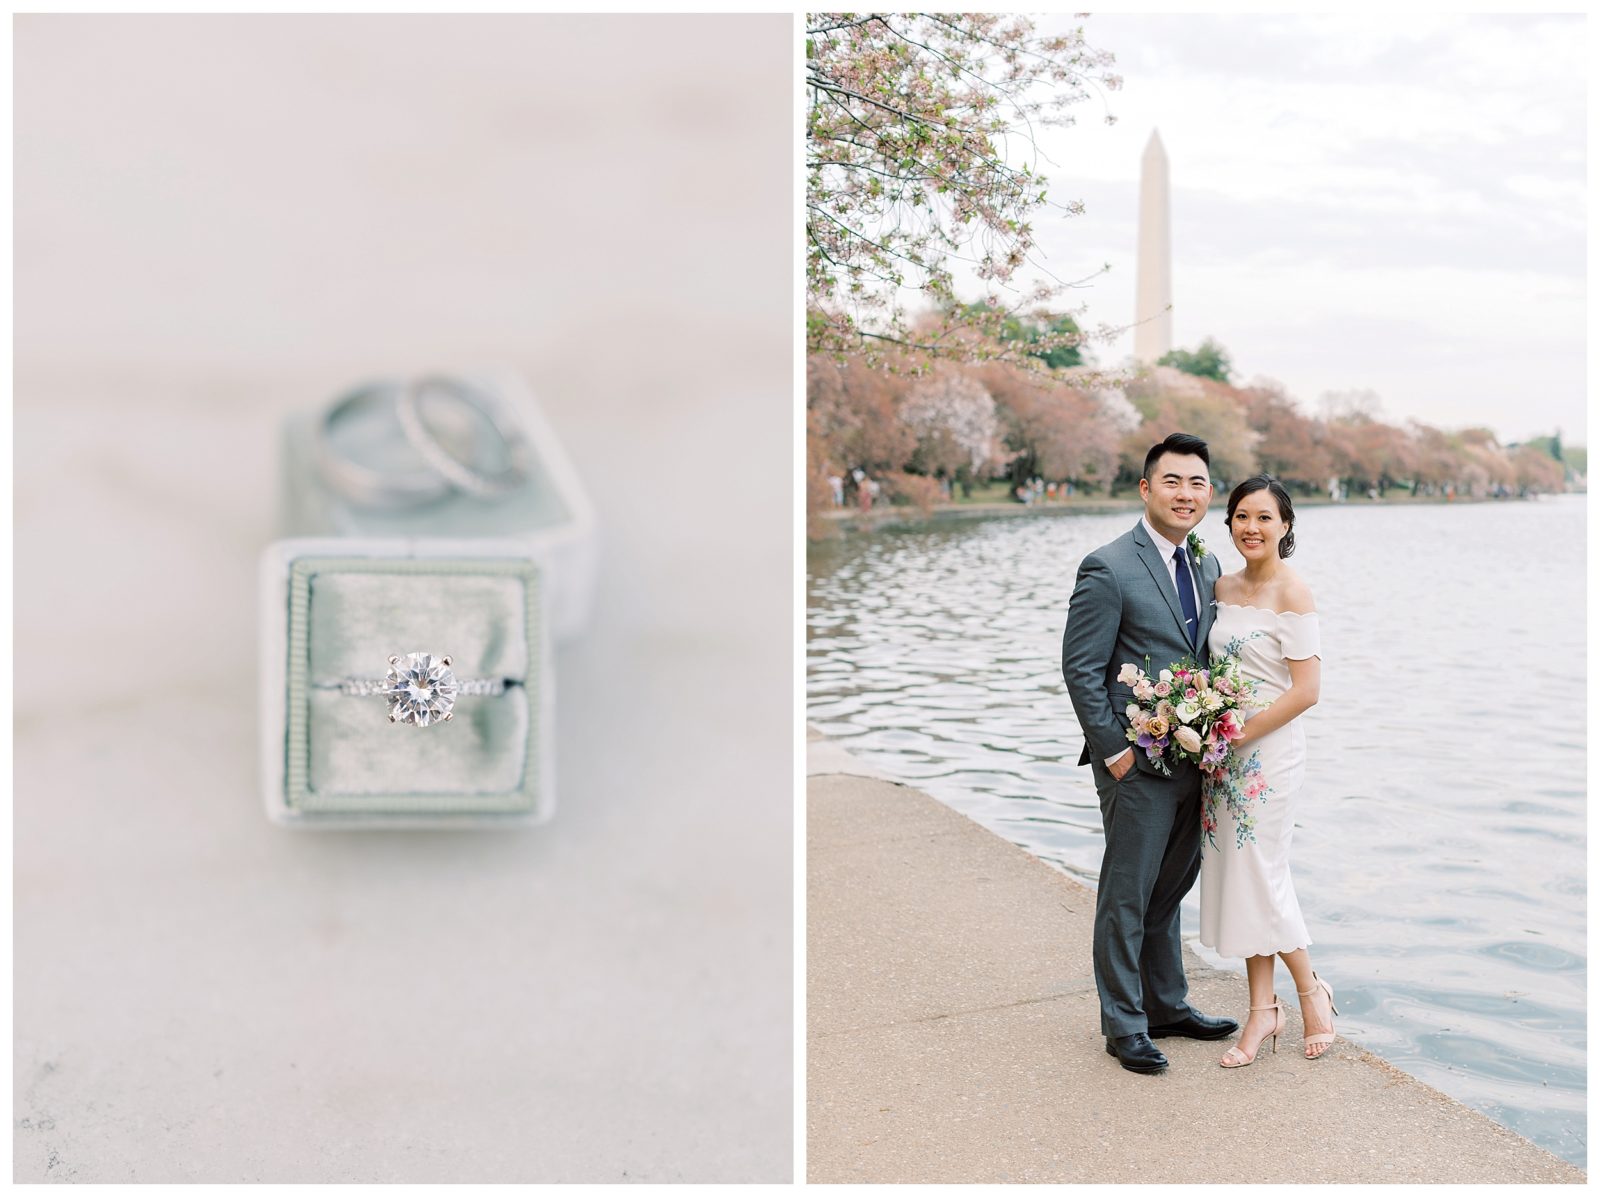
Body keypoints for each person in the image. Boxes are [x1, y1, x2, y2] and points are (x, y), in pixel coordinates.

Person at [1061, 432, 1237, 1074]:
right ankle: (1124, 1024)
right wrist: (1115, 753)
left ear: (1209, 494)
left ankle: (1166, 1004)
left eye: (1197, 483)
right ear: (1145, 488)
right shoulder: (1108, 566)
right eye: (1172, 481)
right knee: (1128, 895)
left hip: (1195, 758)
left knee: (1170, 890)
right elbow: (1081, 669)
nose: (1185, 494)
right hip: (1134, 762)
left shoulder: (1207, 566)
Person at [1199, 475, 1336, 1067]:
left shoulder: (1294, 592)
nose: (1250, 527)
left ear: (1285, 526)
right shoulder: (1222, 585)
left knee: (1262, 872)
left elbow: (1307, 691)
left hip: (1268, 753)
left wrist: (1238, 734)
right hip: (1220, 755)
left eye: (1263, 518)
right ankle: (1263, 1010)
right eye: (1240, 516)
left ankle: (1310, 991)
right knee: (1243, 878)